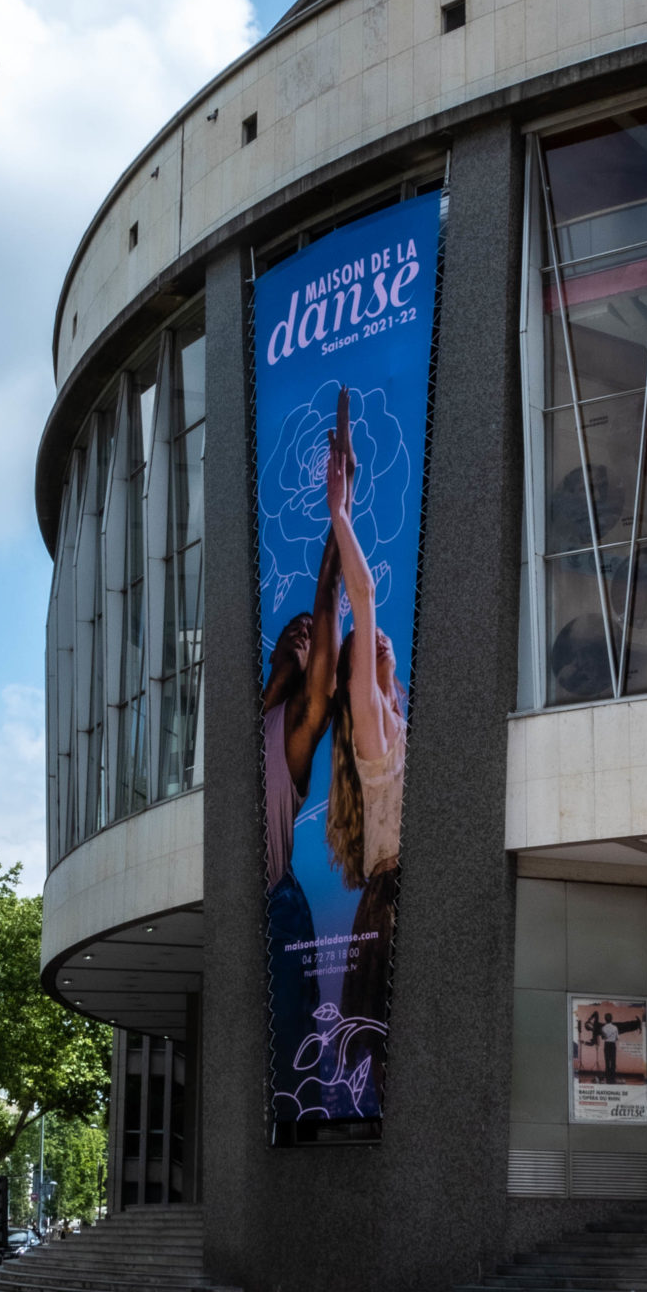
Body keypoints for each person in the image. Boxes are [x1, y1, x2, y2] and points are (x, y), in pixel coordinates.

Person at [260, 410, 348, 1094]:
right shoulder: (245, 730)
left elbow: (323, 614)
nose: (302, 638)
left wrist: (333, 526)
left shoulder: (291, 732)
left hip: (274, 903)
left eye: (308, 638)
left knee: (294, 1065)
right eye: (289, 636)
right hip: (244, 902)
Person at [325, 394, 407, 1097]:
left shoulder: (396, 726)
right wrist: (341, 514)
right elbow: (365, 591)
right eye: (362, 649)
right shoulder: (373, 725)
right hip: (395, 901)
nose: (377, 641)